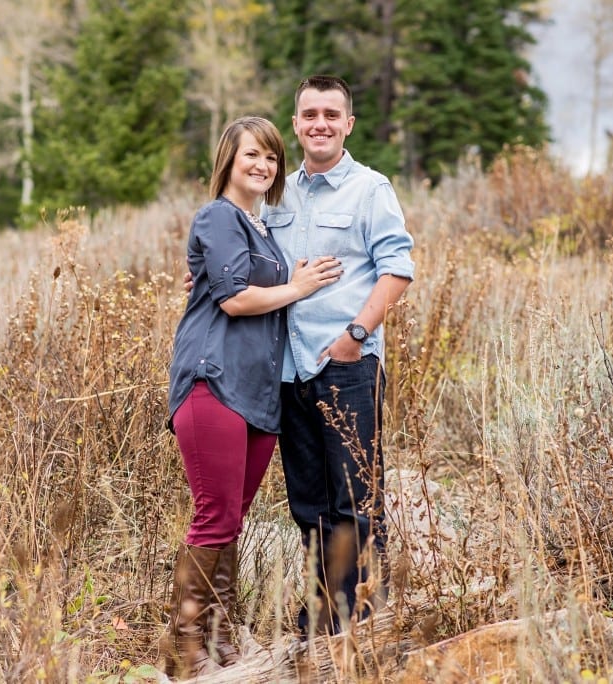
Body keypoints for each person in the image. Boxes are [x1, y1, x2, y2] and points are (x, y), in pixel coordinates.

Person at [160, 116, 343, 678]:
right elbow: (237, 299)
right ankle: (185, 644)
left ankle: (218, 634)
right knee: (215, 517)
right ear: (229, 162)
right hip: (213, 381)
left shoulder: (261, 228)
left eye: (270, 157)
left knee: (232, 519)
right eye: (251, 156)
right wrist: (299, 287)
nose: (262, 166)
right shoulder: (218, 216)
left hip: (258, 395)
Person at [263, 75, 415, 636]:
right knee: (307, 502)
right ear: (296, 123)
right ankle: (322, 610)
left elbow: (398, 268)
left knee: (355, 497)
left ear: (348, 124)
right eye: (309, 114)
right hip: (287, 369)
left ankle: (360, 615)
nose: (319, 123)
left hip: (346, 364)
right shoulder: (278, 192)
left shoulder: (371, 189)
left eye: (331, 114)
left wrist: (356, 334)